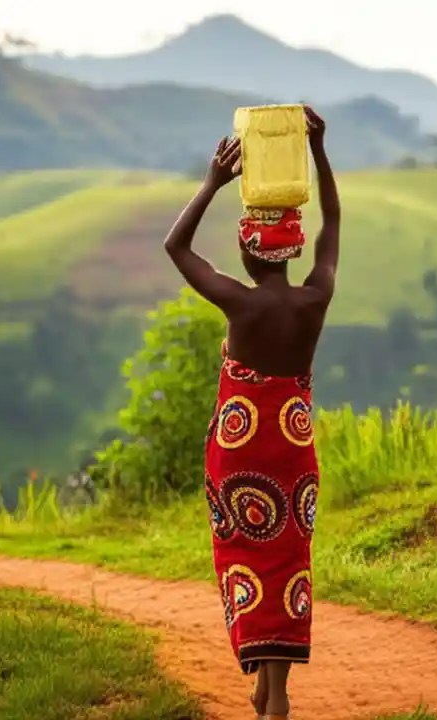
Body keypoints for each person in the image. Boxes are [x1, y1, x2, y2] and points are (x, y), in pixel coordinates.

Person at [163, 106, 339, 720]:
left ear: (246, 253)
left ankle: (266, 687)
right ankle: (275, 690)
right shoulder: (313, 299)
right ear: (291, 251)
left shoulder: (238, 303)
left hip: (239, 454)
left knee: (247, 551)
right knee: (288, 557)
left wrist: (213, 181)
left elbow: (175, 246)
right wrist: (318, 151)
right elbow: (334, 221)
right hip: (293, 451)